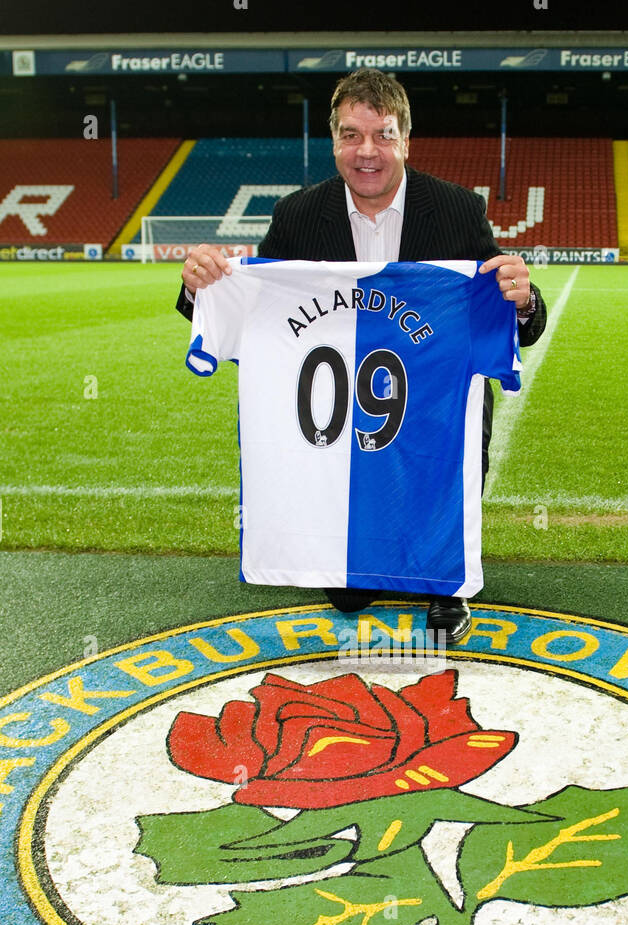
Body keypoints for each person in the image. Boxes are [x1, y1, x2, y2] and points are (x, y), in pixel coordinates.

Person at [177, 69, 548, 644]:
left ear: (406, 140)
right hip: (340, 411)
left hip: (431, 408)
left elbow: (516, 322)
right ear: (334, 141)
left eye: (382, 134)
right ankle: (359, 561)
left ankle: (444, 586)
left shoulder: (455, 210)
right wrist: (201, 287)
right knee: (348, 593)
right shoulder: (298, 216)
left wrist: (522, 299)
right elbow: (256, 314)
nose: (366, 151)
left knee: (448, 459)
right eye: (351, 135)